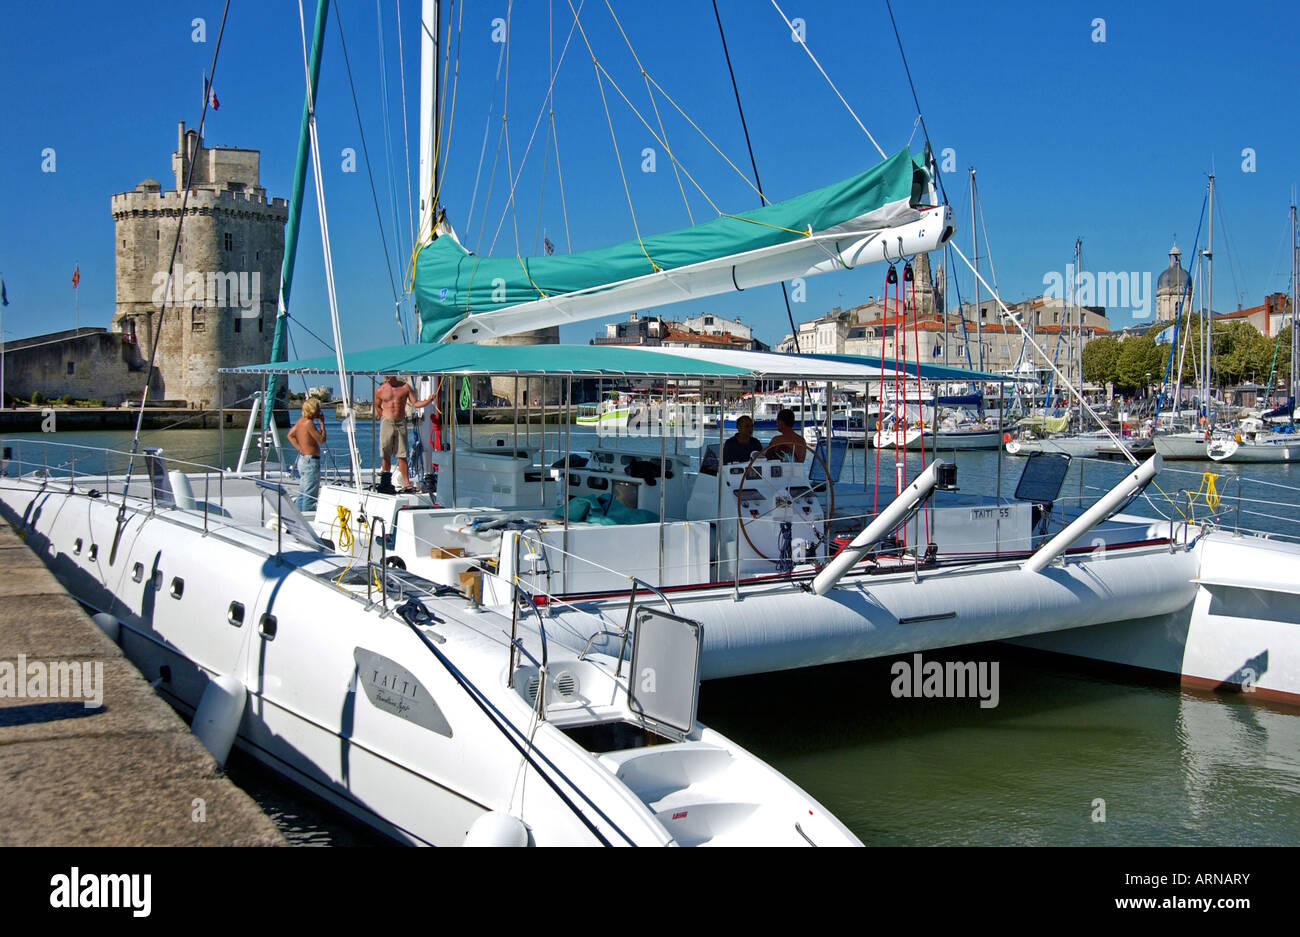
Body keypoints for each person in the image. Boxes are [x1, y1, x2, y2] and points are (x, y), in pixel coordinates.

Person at [375, 375, 435, 492]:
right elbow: (377, 405)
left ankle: (406, 483)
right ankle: (385, 480)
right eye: (385, 375)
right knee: (385, 453)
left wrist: (429, 400)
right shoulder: (380, 390)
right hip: (387, 422)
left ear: (395, 375)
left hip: (401, 422)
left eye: (389, 374)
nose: (386, 377)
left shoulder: (405, 387)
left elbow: (416, 403)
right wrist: (383, 415)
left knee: (402, 454)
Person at [287, 398, 325, 512]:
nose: (320, 411)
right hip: (311, 461)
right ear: (313, 410)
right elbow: (322, 440)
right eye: (318, 408)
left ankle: (299, 515)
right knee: (309, 495)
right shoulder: (309, 423)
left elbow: (290, 435)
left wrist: (300, 448)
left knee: (302, 492)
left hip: (303, 459)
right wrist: (322, 423)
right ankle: (307, 518)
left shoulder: (300, 422)